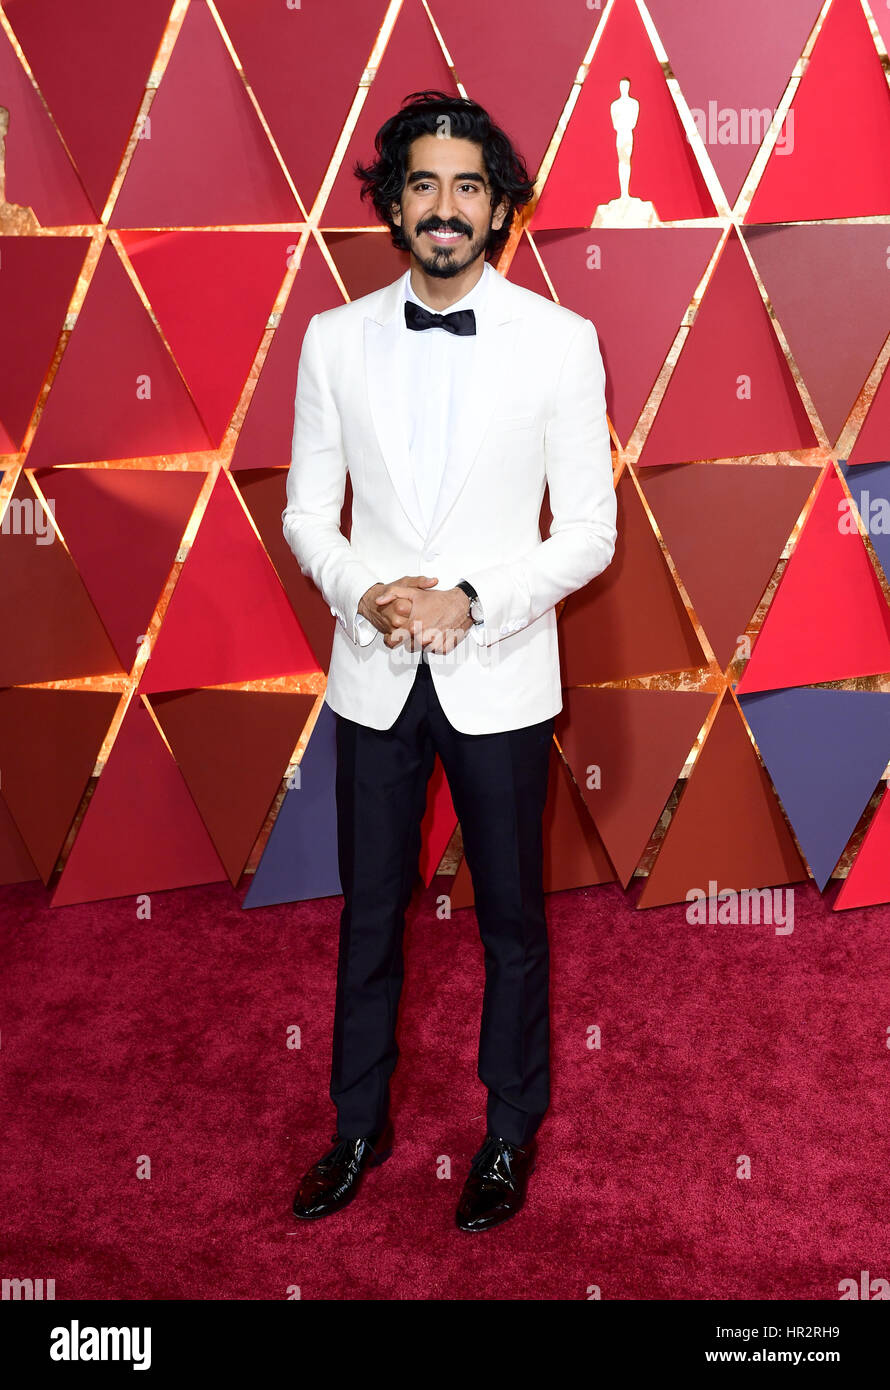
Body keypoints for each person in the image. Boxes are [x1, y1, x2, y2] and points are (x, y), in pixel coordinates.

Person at [282, 90, 617, 1232]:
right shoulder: (332, 339)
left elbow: (587, 531)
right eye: (420, 183)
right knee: (367, 913)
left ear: (498, 208)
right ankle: (355, 1127)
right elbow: (303, 516)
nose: (443, 206)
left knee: (511, 919)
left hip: (501, 672)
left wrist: (472, 600)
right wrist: (360, 589)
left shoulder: (562, 345)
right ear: (390, 203)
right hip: (372, 672)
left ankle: (508, 1133)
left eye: (466, 186)